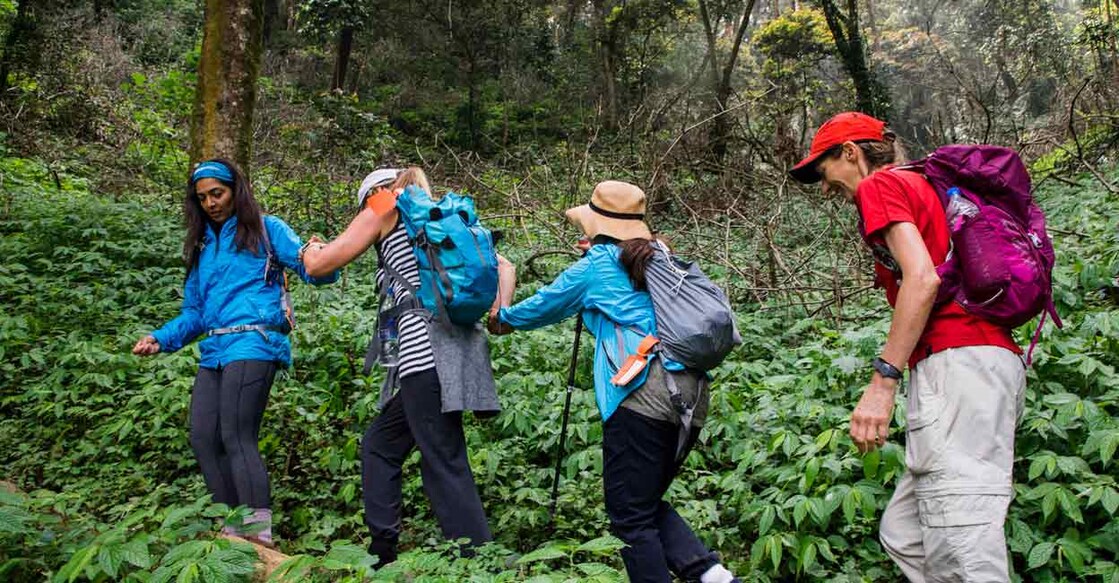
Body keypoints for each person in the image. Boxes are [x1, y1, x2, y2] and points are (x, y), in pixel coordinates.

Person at [789, 112, 1026, 581]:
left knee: (962, 544)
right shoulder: (928, 184)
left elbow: (922, 279)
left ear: (851, 153)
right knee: (907, 533)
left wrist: (883, 382)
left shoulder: (882, 186)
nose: (824, 186)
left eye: (824, 170)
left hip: (956, 365)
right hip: (987, 363)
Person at [487, 181, 739, 583]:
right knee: (643, 502)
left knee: (630, 518)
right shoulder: (662, 256)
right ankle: (712, 576)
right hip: (692, 391)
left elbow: (539, 308)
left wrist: (501, 317)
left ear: (594, 225)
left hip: (643, 393)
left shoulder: (596, 267)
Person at [132, 158, 338, 547]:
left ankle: (257, 537)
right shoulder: (203, 248)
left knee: (237, 435)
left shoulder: (266, 228)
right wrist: (161, 338)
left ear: (235, 191)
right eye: (203, 197)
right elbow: (195, 312)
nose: (211, 203)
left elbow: (315, 268)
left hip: (254, 341)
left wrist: (323, 256)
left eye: (218, 193)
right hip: (215, 348)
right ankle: (232, 530)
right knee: (203, 437)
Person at [300, 167, 493, 567]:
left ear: (376, 193)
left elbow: (322, 266)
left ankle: (479, 563)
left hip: (424, 356)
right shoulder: (439, 218)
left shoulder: (384, 206)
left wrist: (308, 251)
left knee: (444, 460)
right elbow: (503, 266)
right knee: (381, 445)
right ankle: (382, 552)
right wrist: (499, 314)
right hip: (455, 353)